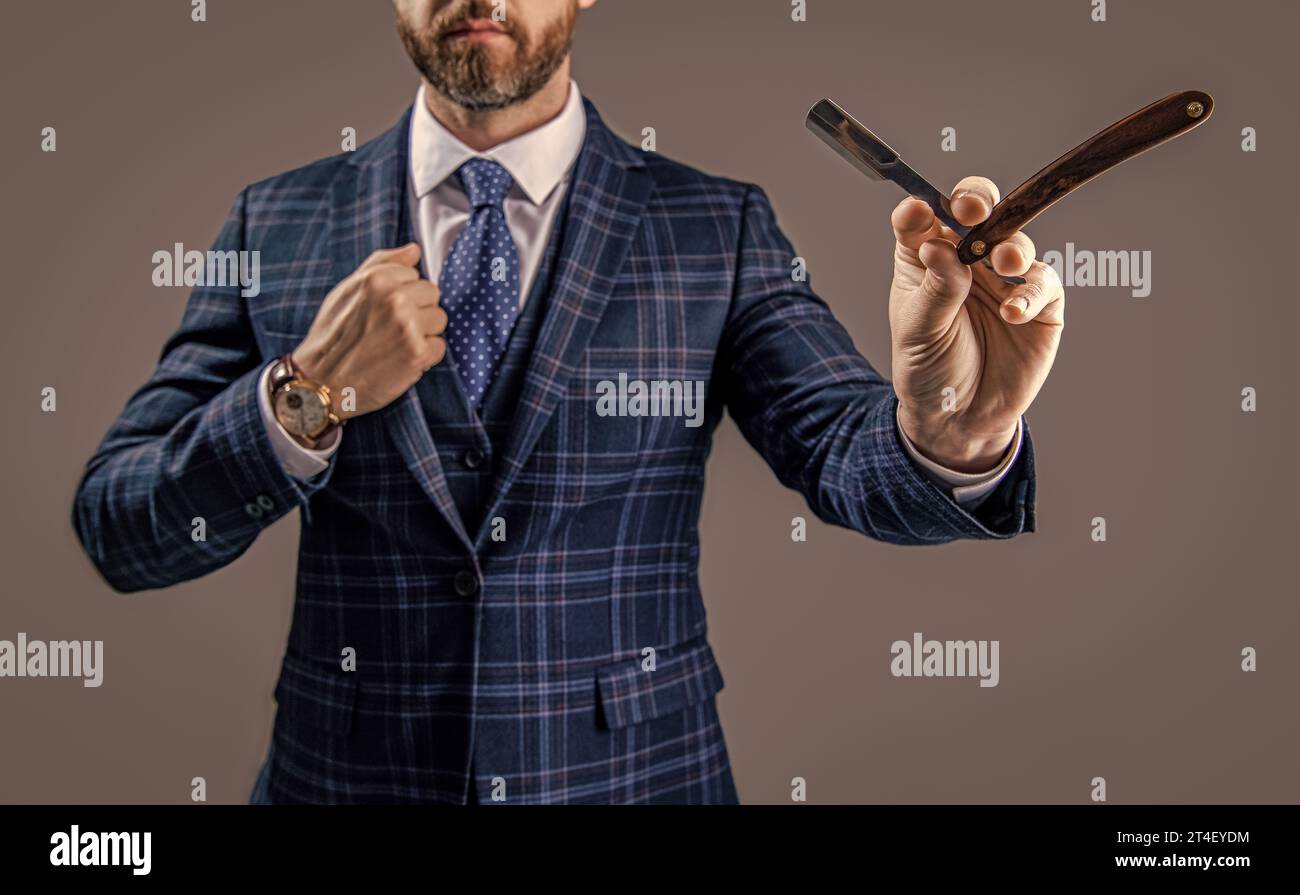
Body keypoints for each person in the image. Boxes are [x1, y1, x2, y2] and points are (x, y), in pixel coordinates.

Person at [72, 0, 1063, 804]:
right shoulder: (277, 218)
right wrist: (303, 398)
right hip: (340, 781)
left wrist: (953, 430)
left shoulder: (714, 225)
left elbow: (845, 455)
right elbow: (124, 526)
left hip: (636, 781)